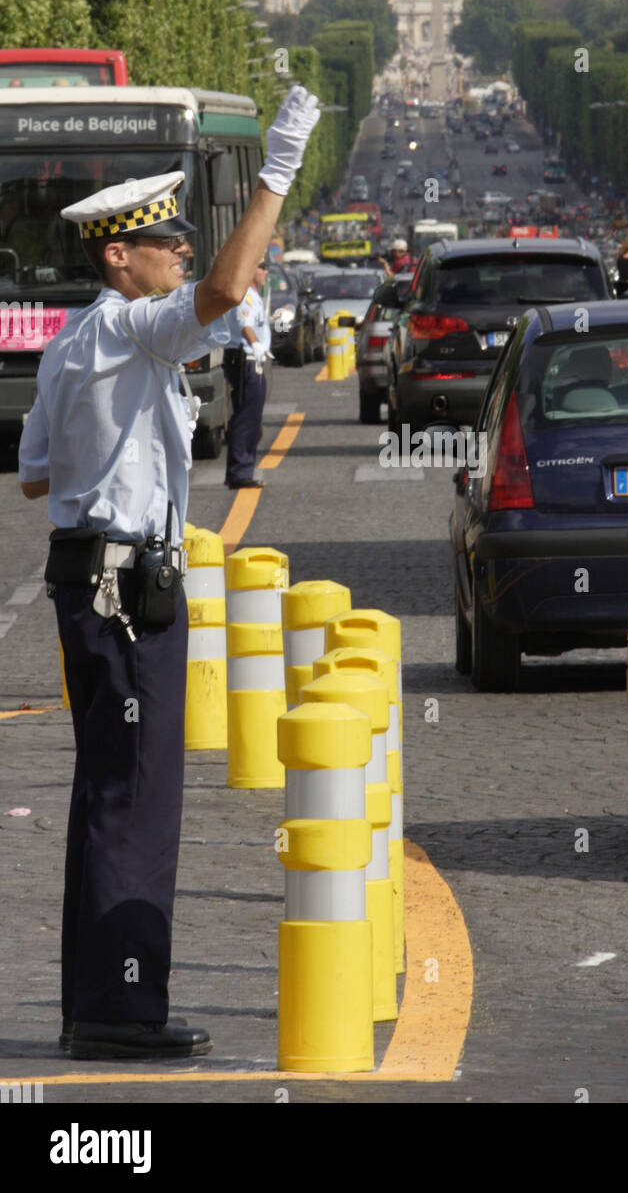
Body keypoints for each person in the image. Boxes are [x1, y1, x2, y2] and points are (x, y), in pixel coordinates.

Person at [17, 86, 320, 1061]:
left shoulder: (77, 347)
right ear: (118, 254)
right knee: (138, 794)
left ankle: (97, 1000)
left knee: (112, 788)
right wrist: (274, 174)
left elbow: (30, 476)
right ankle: (119, 1008)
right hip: (123, 585)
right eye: (165, 239)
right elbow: (226, 293)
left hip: (92, 578)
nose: (183, 249)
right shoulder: (119, 328)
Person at [223, 259, 271, 490]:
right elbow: (245, 325)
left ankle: (244, 468)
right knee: (245, 417)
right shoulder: (245, 295)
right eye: (262, 266)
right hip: (244, 358)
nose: (266, 271)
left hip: (253, 359)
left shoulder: (254, 294)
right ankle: (239, 471)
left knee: (252, 417)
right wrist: (256, 345)